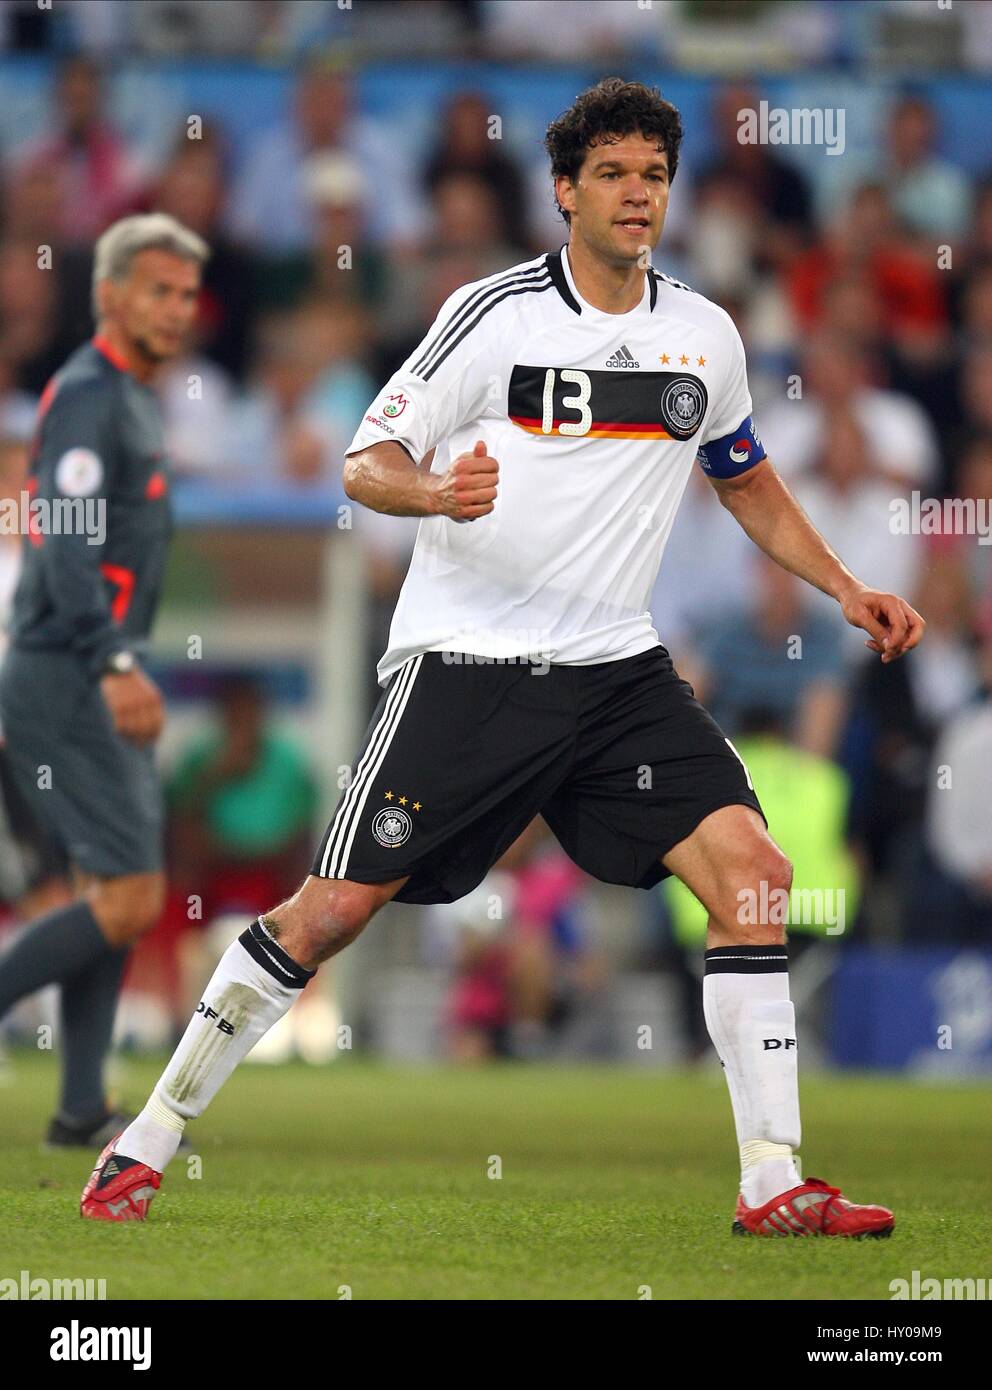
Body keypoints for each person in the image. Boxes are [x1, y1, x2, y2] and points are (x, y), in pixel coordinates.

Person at [84, 80, 924, 1237]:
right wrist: (432, 487)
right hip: (470, 663)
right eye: (616, 175)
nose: (638, 195)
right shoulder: (492, 316)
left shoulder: (703, 334)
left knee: (754, 877)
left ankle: (772, 1179)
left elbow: (741, 473)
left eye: (654, 176)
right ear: (566, 191)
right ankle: (147, 1139)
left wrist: (844, 587)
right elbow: (362, 461)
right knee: (330, 912)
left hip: (617, 672)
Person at [0, 212, 206, 1146]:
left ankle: (81, 1105)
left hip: (85, 663)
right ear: (110, 295)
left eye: (187, 294)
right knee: (130, 897)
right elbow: (64, 538)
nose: (176, 309)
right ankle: (81, 1098)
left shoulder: (126, 396)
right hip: (69, 664)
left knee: (111, 893)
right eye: (158, 290)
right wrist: (115, 660)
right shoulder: (88, 393)